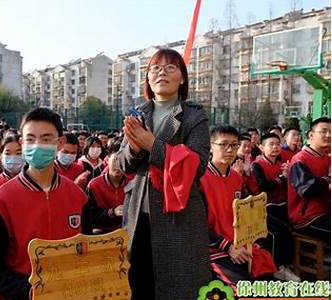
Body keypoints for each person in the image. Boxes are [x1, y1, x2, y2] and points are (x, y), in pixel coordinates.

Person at [116, 48, 211, 299]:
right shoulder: (138, 113)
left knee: (179, 285)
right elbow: (122, 164)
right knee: (140, 282)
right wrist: (135, 150)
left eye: (170, 68)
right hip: (140, 212)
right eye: (155, 68)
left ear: (182, 78)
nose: (162, 73)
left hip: (178, 217)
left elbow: (197, 164)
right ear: (147, 78)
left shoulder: (195, 116)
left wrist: (151, 145)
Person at [0, 108, 91, 300]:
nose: (37, 146)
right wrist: (30, 290)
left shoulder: (78, 197)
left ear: (60, 143)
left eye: (46, 139)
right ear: (22, 143)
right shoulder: (1, 199)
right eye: (30, 139)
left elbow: (86, 252)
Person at [201, 126, 277, 289]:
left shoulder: (236, 177)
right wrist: (228, 247)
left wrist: (249, 238)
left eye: (234, 145)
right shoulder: (200, 178)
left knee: (267, 280)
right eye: (223, 144)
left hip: (238, 242)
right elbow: (195, 224)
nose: (229, 150)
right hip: (213, 248)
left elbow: (242, 213)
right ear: (211, 146)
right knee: (247, 288)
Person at [251, 133, 297, 281]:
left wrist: (289, 174)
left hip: (283, 205)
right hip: (265, 207)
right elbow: (264, 187)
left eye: (278, 144)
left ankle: (288, 263)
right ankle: (278, 267)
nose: (276, 147)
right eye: (271, 144)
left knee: (294, 226)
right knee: (280, 230)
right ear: (262, 147)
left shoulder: (282, 163)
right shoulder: (257, 165)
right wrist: (282, 177)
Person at [288, 117, 331, 244]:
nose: (328, 135)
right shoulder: (300, 159)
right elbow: (307, 190)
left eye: (331, 132)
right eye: (323, 131)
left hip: (325, 211)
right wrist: (327, 179)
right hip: (307, 218)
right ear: (311, 135)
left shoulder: (326, 157)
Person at [87, 137, 128, 233]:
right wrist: (112, 212)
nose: (118, 166)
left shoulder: (132, 183)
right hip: (102, 233)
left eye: (122, 161)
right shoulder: (94, 185)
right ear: (107, 160)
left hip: (127, 232)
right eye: (115, 161)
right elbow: (89, 216)